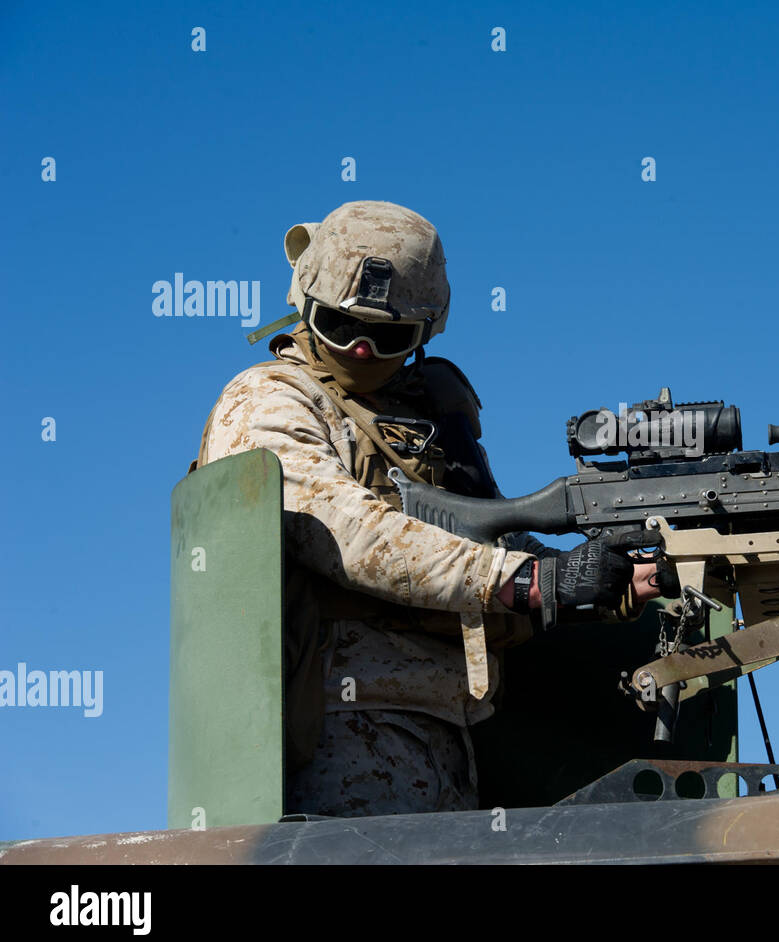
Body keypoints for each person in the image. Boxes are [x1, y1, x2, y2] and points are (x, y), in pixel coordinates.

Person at [195, 200, 657, 816]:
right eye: (340, 326)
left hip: (453, 735)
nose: (362, 350)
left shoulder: (429, 423)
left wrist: (591, 586)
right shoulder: (265, 400)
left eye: (388, 336)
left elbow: (491, 566)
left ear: (426, 332)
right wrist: (525, 580)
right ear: (303, 306)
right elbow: (345, 532)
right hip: (338, 727)